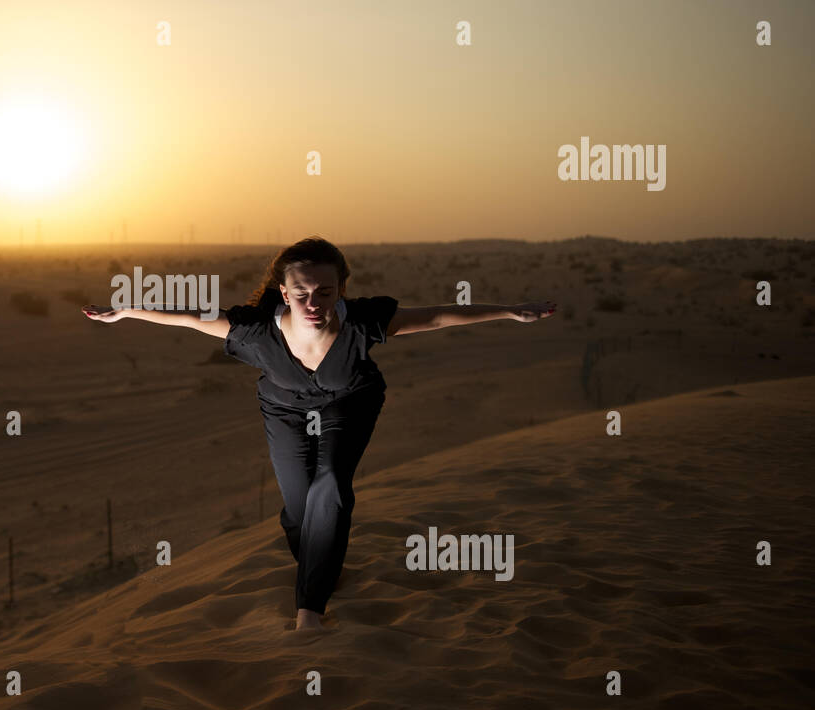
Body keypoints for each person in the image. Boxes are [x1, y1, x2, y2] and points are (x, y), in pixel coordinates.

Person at [82, 236, 556, 631]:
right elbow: (186, 316)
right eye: (302, 293)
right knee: (297, 507)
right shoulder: (253, 333)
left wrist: (511, 311)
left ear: (341, 289)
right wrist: (125, 312)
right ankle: (320, 563)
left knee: (330, 485)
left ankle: (309, 608)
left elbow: (432, 316)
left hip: (350, 402)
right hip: (284, 411)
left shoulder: (364, 321)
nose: (314, 304)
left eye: (326, 292)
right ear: (283, 293)